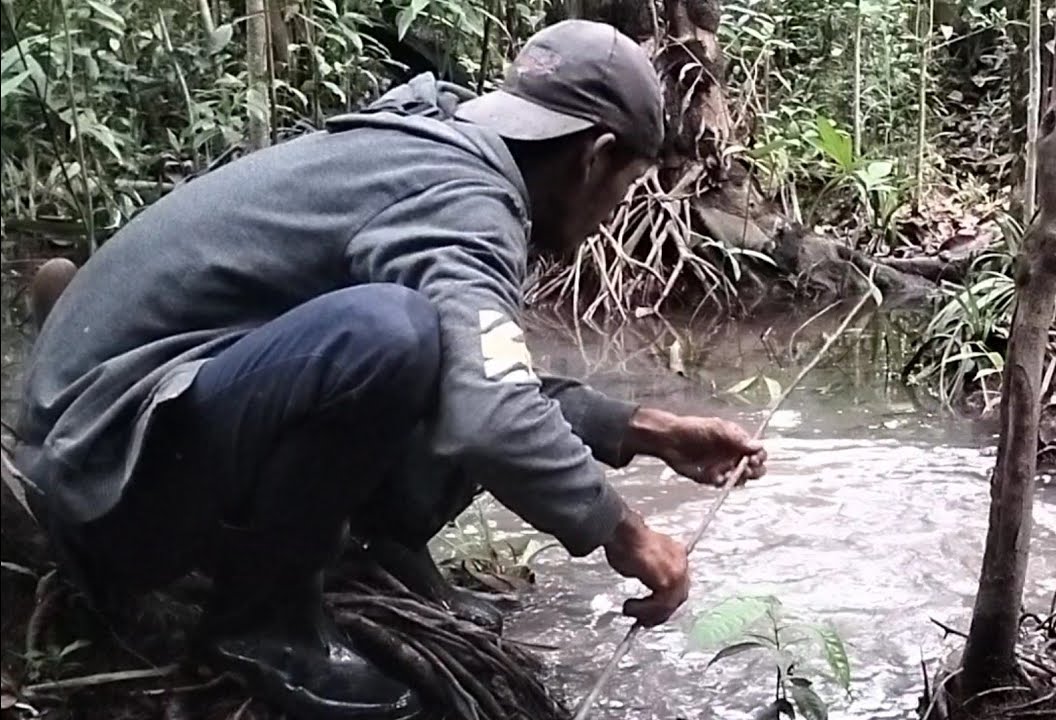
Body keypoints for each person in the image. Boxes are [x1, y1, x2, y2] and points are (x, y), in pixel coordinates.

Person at [12, 19, 767, 720]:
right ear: (594, 155)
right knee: (391, 333)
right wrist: (624, 531)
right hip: (105, 483)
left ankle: (380, 563)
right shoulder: (467, 202)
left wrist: (643, 429)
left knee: (425, 344)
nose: (612, 213)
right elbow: (492, 411)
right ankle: (263, 623)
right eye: (624, 187)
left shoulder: (428, 146)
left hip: (111, 439)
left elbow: (481, 375)